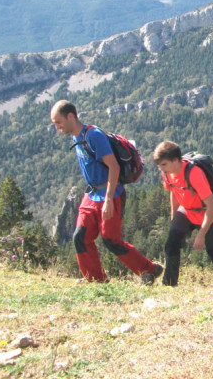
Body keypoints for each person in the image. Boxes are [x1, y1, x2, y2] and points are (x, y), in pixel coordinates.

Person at [50, 100, 162, 284]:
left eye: (58, 122)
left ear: (71, 116)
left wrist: (109, 200)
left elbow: (114, 167)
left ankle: (149, 270)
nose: (57, 127)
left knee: (112, 240)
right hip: (92, 194)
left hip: (110, 194)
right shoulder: (76, 137)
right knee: (80, 236)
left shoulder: (94, 135)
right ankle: (95, 280)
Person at [152, 141, 213, 287]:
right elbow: (174, 192)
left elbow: (212, 206)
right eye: (159, 165)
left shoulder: (194, 174)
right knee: (171, 243)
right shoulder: (167, 174)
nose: (161, 169)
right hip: (186, 210)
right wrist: (174, 218)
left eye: (164, 164)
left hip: (206, 213)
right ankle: (169, 283)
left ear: (175, 160)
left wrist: (201, 234)